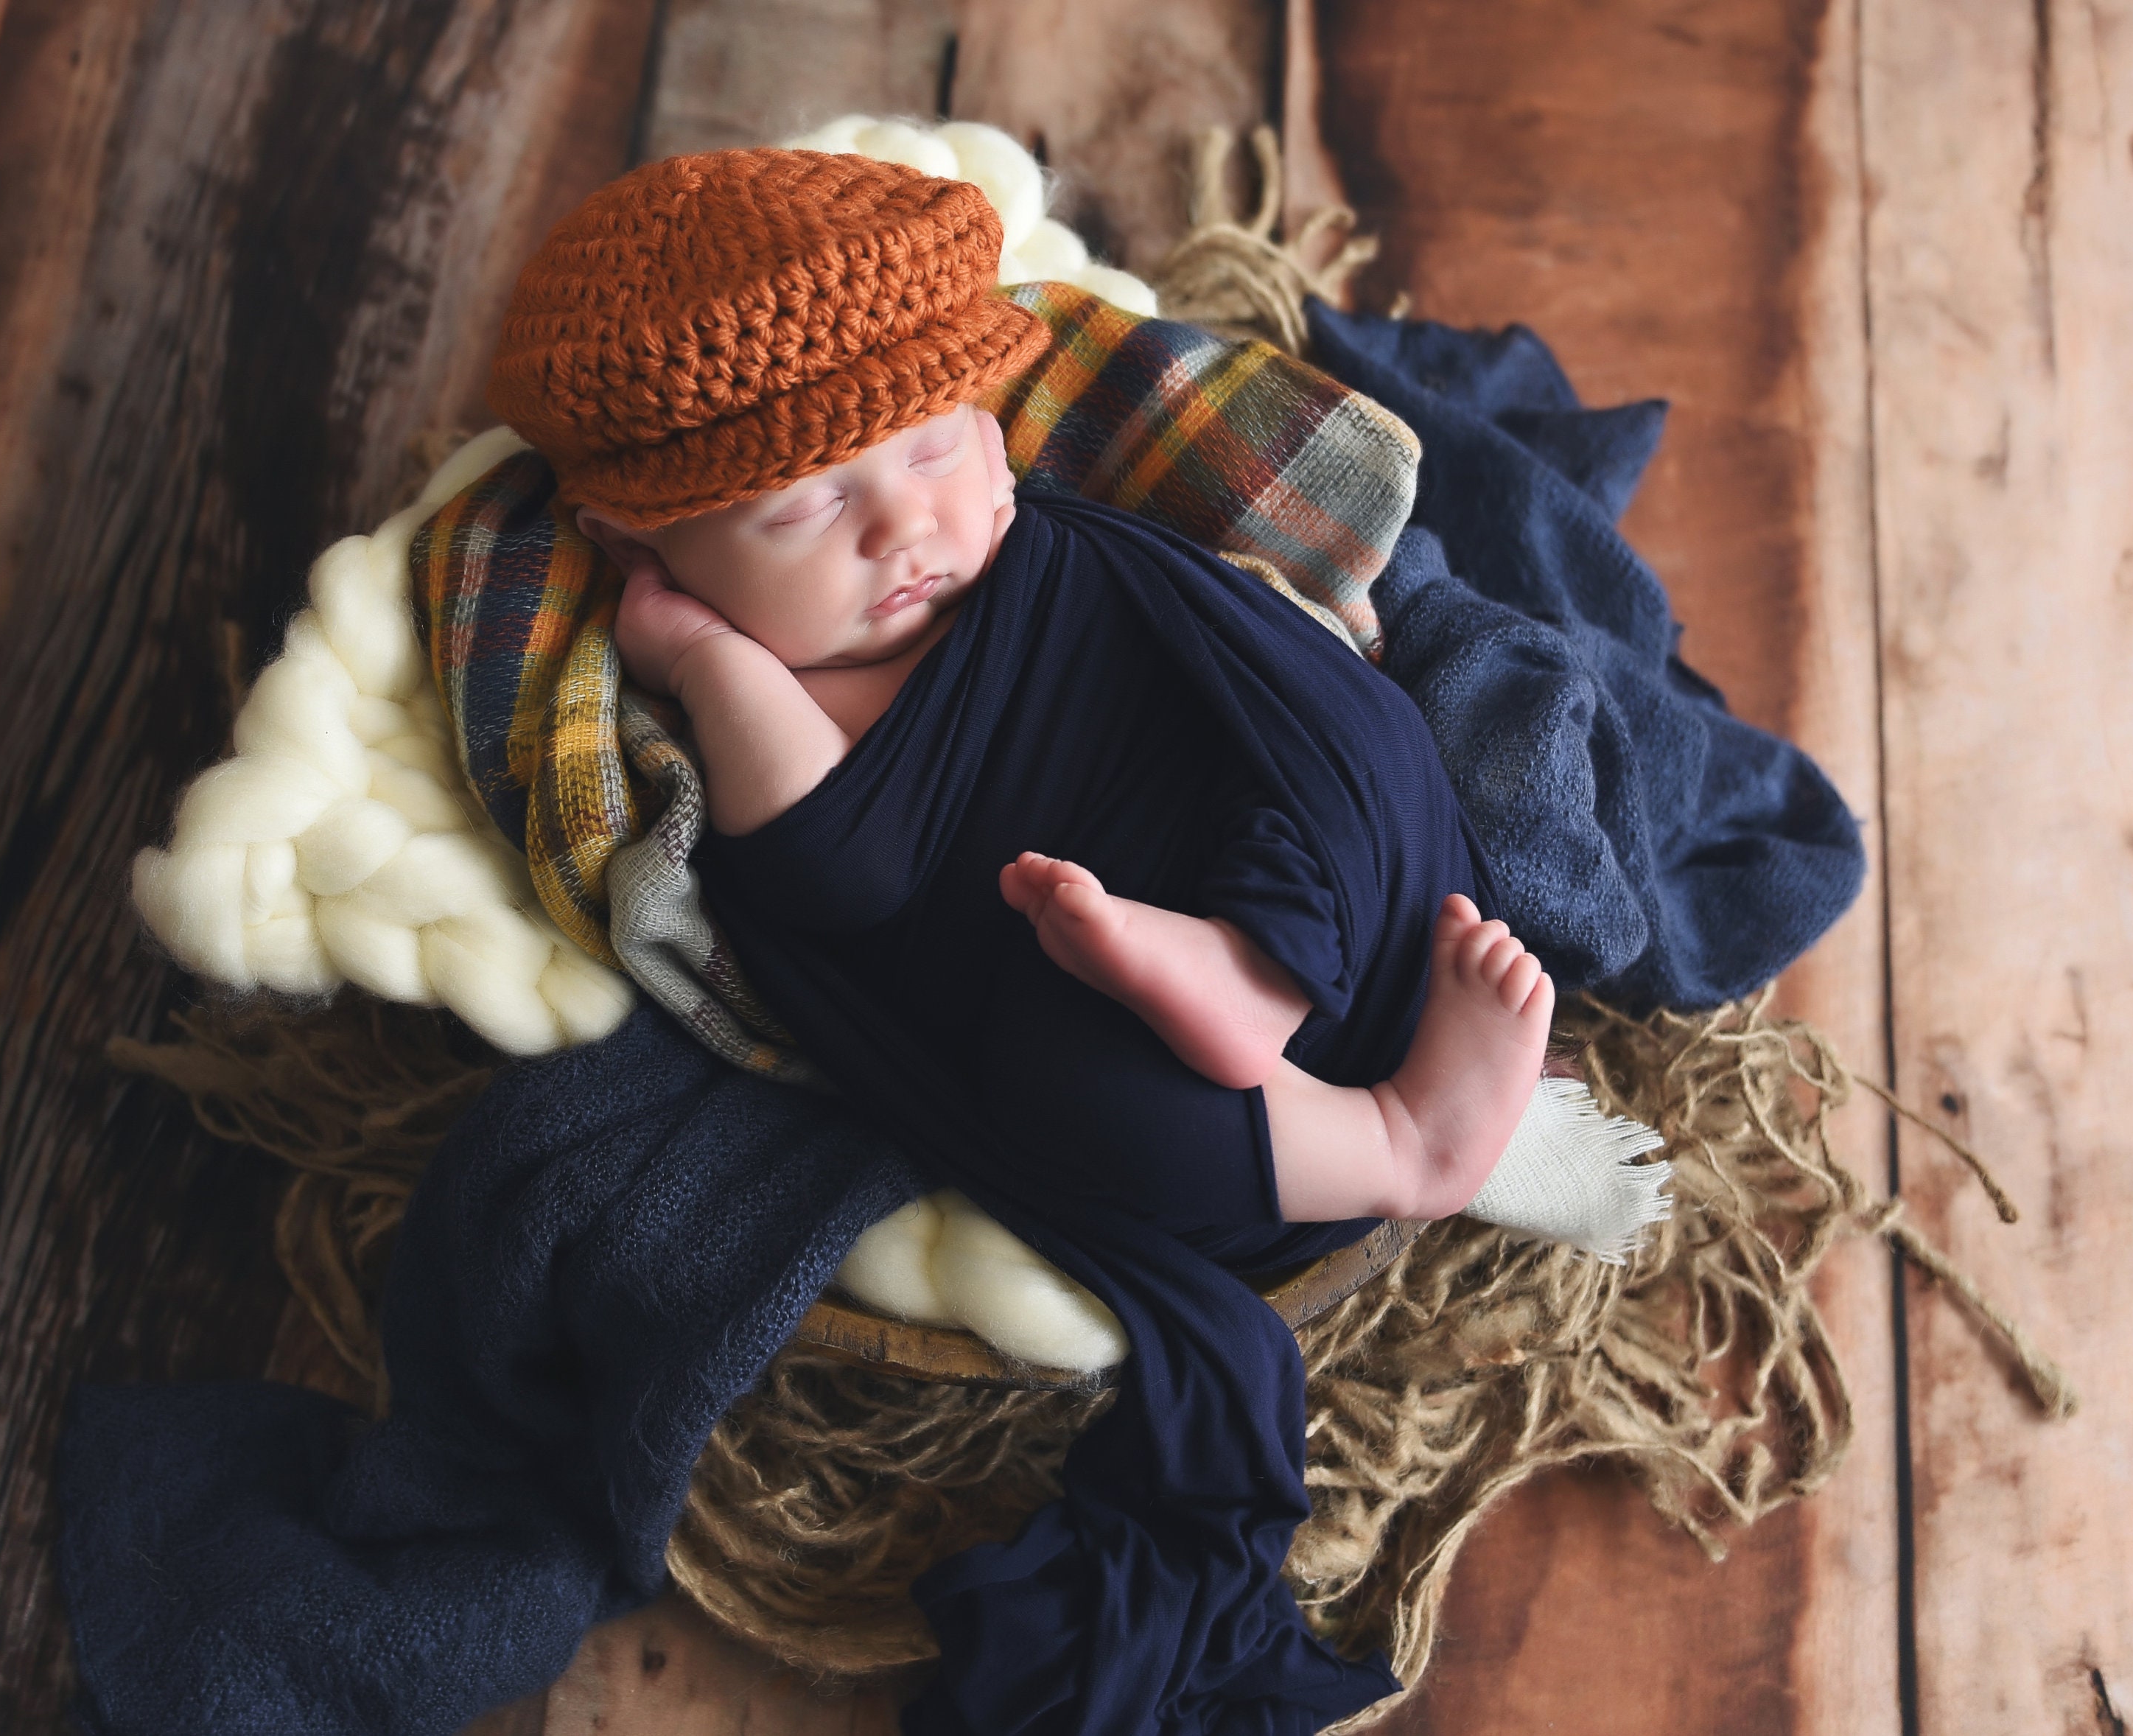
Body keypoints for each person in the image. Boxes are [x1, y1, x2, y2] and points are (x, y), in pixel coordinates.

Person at [486, 143, 1552, 1735]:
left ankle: (1248, 967)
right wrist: (715, 669)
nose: (902, 524)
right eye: (810, 503)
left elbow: (1227, 638)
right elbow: (830, 876)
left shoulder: (1033, 546)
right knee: (1066, 1096)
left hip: (1231, 816)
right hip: (1078, 982)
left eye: (933, 443)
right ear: (651, 544)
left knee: (1350, 736)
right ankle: (1395, 1134)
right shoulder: (778, 684)